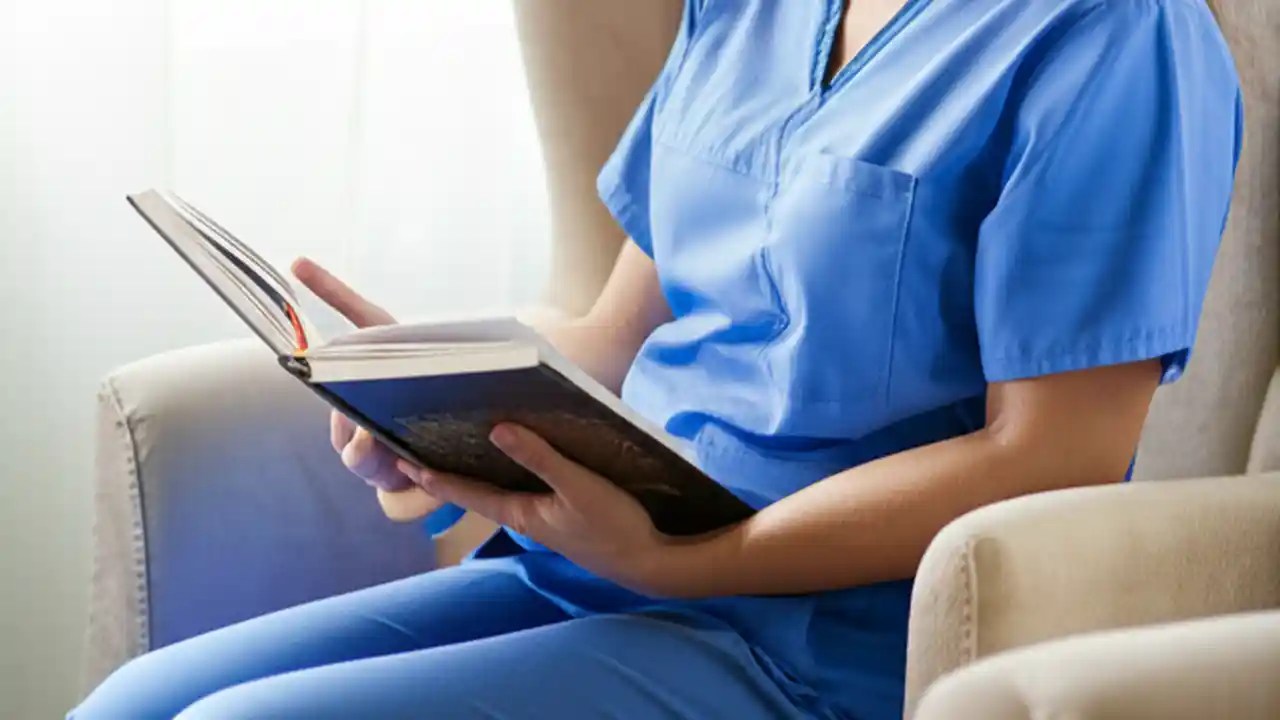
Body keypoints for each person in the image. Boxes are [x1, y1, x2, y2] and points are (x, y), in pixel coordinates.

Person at [72, 0, 1242, 718]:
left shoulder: (1114, 35)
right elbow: (610, 339)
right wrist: (421, 393)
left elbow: (1049, 457)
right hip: (597, 576)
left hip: (826, 650)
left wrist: (700, 561)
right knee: (136, 705)